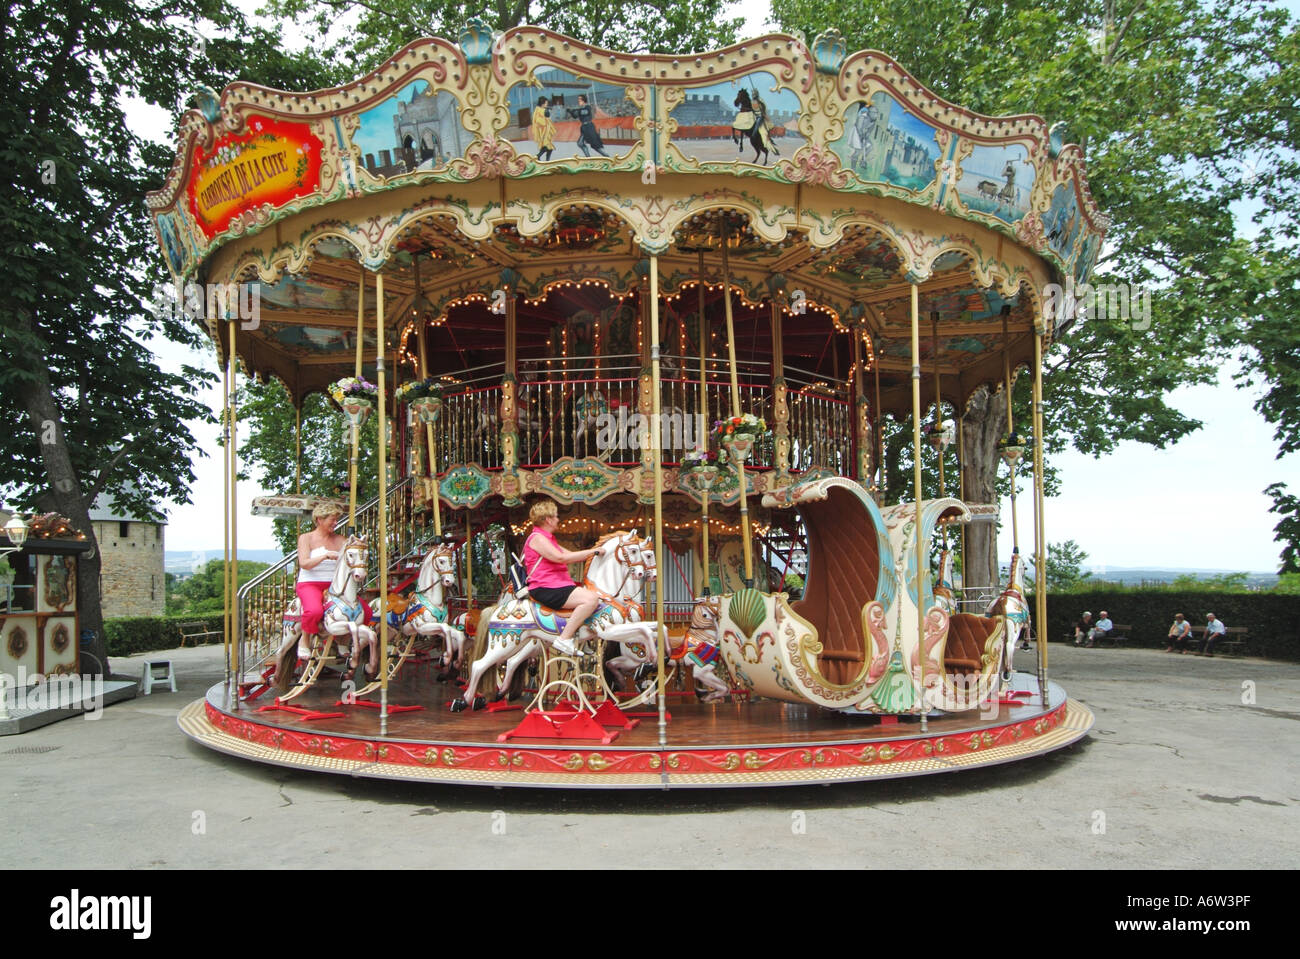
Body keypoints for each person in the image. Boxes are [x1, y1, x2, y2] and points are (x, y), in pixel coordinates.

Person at [521, 498, 602, 656]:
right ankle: (564, 639)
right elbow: (560, 558)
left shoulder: (548, 539)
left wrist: (597, 550)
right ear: (548, 519)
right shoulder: (537, 538)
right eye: (556, 516)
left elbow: (571, 555)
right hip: (546, 587)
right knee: (591, 599)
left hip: (558, 585)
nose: (558, 519)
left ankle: (581, 637)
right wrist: (594, 552)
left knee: (592, 596)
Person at [531, 96, 555, 162]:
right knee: (547, 147)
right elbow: (539, 121)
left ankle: (547, 160)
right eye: (546, 103)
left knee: (549, 148)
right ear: (542, 103)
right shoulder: (539, 110)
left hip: (546, 131)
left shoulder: (540, 109)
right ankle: (538, 157)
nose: (547, 104)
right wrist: (546, 114)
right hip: (543, 132)